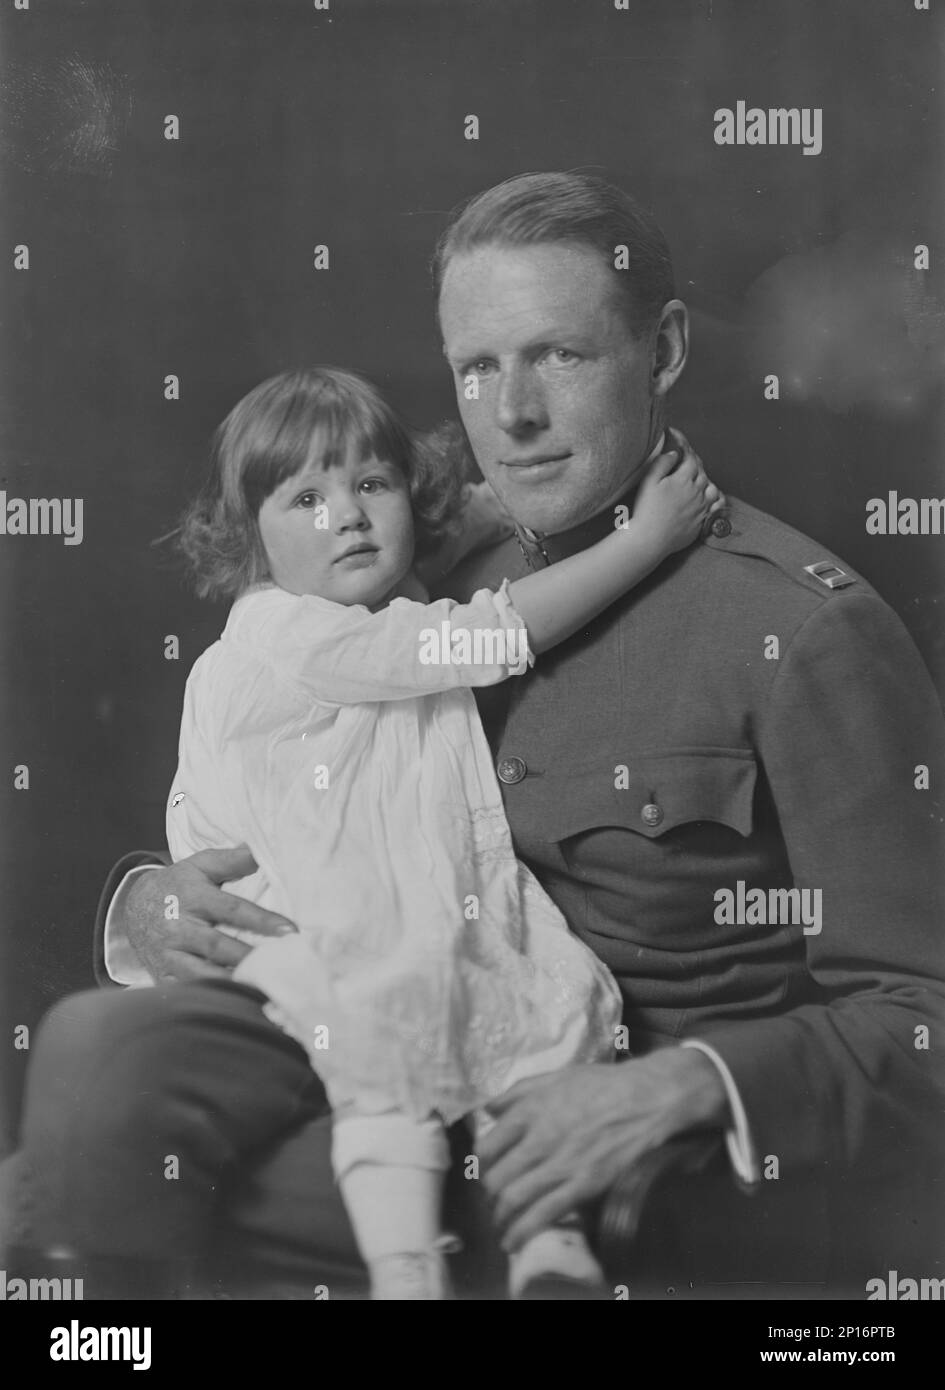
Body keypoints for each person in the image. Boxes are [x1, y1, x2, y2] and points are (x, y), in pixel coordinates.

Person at [9, 171, 945, 1299]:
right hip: (372, 1033)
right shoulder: (420, 576)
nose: (512, 416)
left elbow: (924, 1015)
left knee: (85, 1186)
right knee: (96, 1059)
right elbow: (278, 776)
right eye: (477, 369)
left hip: (597, 1150)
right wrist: (154, 908)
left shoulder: (801, 629)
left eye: (561, 356)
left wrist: (693, 1082)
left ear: (663, 350)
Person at [161, 362, 719, 1299]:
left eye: (371, 484)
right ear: (251, 539)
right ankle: (405, 1271)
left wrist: (520, 494)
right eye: (306, 499)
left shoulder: (375, 592)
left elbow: (451, 522)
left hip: (433, 884)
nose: (348, 516)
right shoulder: (286, 630)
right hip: (324, 912)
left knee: (552, 1005)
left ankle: (547, 1239)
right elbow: (485, 636)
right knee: (385, 1052)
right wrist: (644, 539)